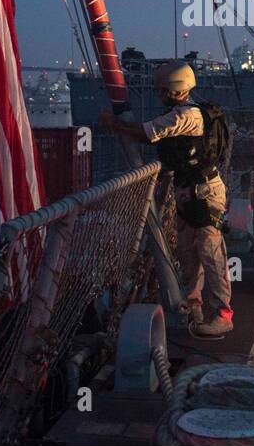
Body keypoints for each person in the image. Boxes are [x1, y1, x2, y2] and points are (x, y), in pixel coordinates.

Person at [99, 61, 233, 339]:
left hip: (204, 192)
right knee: (188, 252)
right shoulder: (182, 113)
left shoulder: (187, 116)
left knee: (210, 251)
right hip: (187, 190)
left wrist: (114, 125)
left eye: (162, 89)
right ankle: (193, 306)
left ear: (173, 90)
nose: (158, 94)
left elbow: (147, 134)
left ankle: (223, 314)